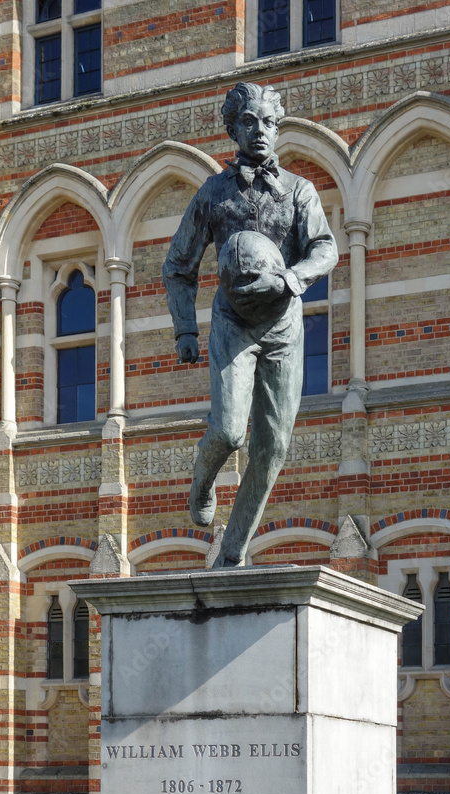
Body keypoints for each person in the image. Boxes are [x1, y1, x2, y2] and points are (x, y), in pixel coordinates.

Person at [163, 81, 338, 568]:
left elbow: (325, 249)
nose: (259, 131)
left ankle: (233, 551)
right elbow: (178, 265)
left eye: (268, 123)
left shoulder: (299, 191)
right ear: (233, 128)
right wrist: (185, 331)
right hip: (233, 322)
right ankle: (202, 483)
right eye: (249, 122)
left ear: (277, 129)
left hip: (283, 323)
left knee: (274, 445)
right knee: (229, 430)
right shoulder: (216, 194)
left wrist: (293, 277)